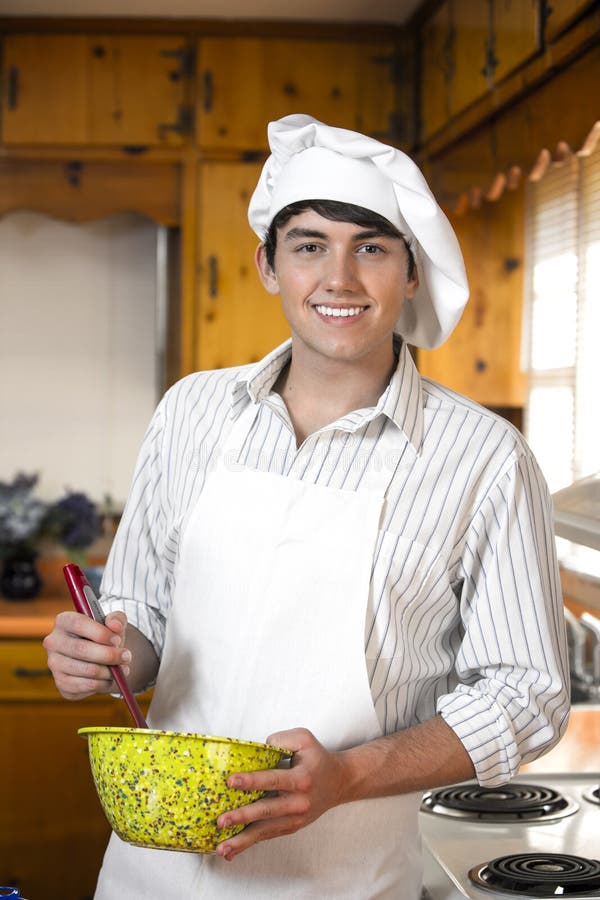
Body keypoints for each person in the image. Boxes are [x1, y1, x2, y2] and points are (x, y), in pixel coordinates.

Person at [43, 114, 570, 899]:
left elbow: (524, 693)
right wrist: (107, 653)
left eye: (373, 248)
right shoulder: (191, 411)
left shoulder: (486, 459)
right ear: (268, 264)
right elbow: (143, 613)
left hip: (344, 876)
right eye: (311, 245)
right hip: (152, 875)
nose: (341, 279)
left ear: (412, 271)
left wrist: (348, 775)